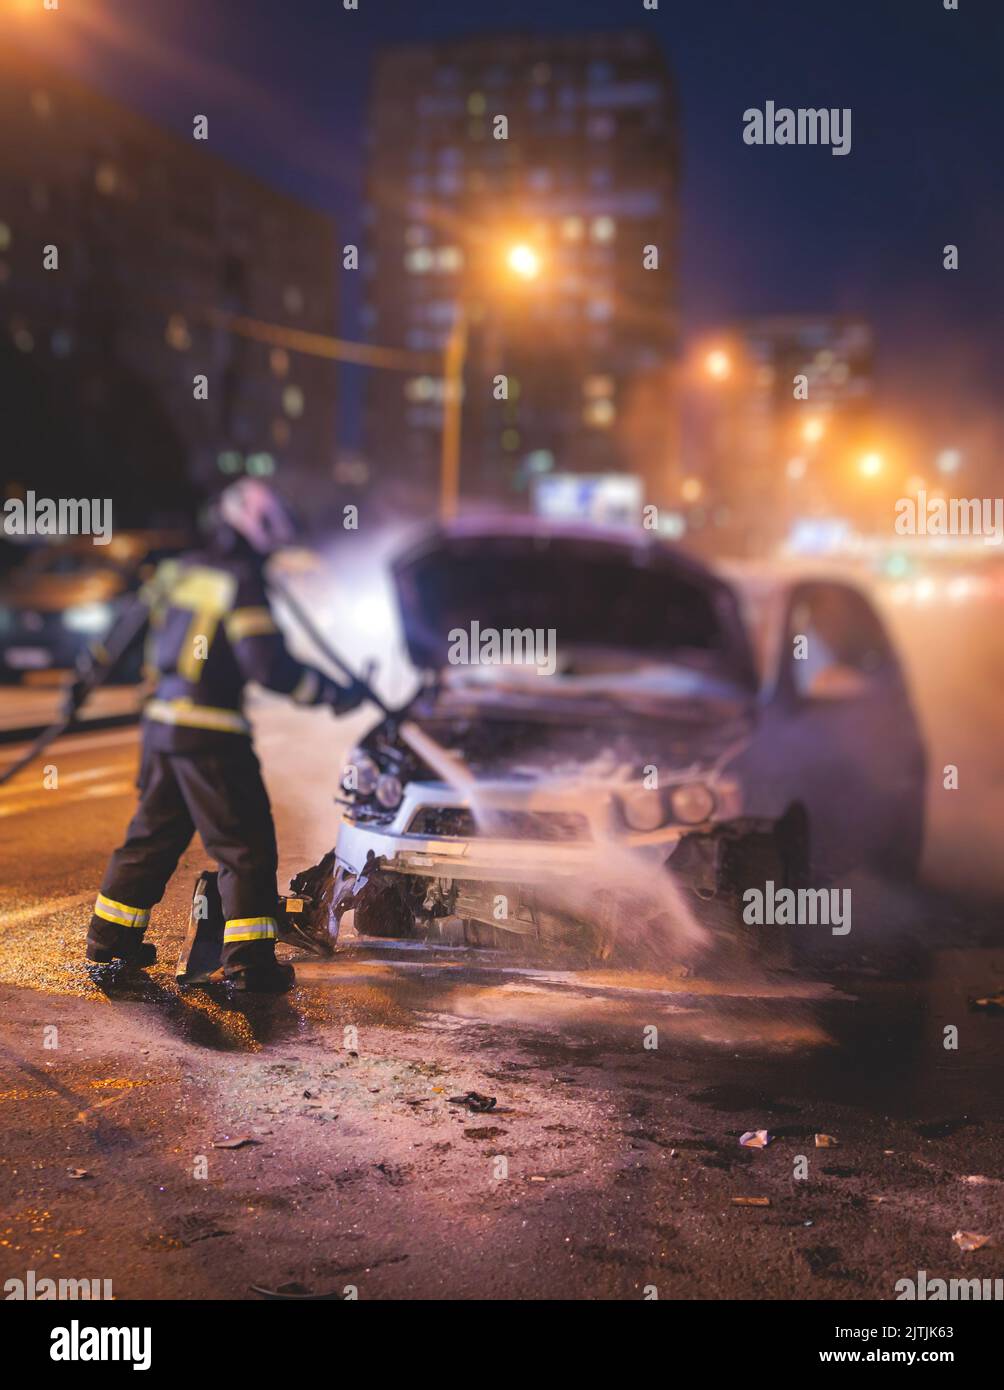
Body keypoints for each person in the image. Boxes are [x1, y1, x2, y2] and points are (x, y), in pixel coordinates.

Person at [67, 479, 366, 993]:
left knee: (152, 838)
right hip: (211, 735)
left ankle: (109, 945)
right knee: (245, 848)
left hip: (162, 731)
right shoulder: (241, 580)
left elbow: (120, 636)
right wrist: (332, 693)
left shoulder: (177, 571)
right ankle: (250, 965)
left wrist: (80, 685)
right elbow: (267, 665)